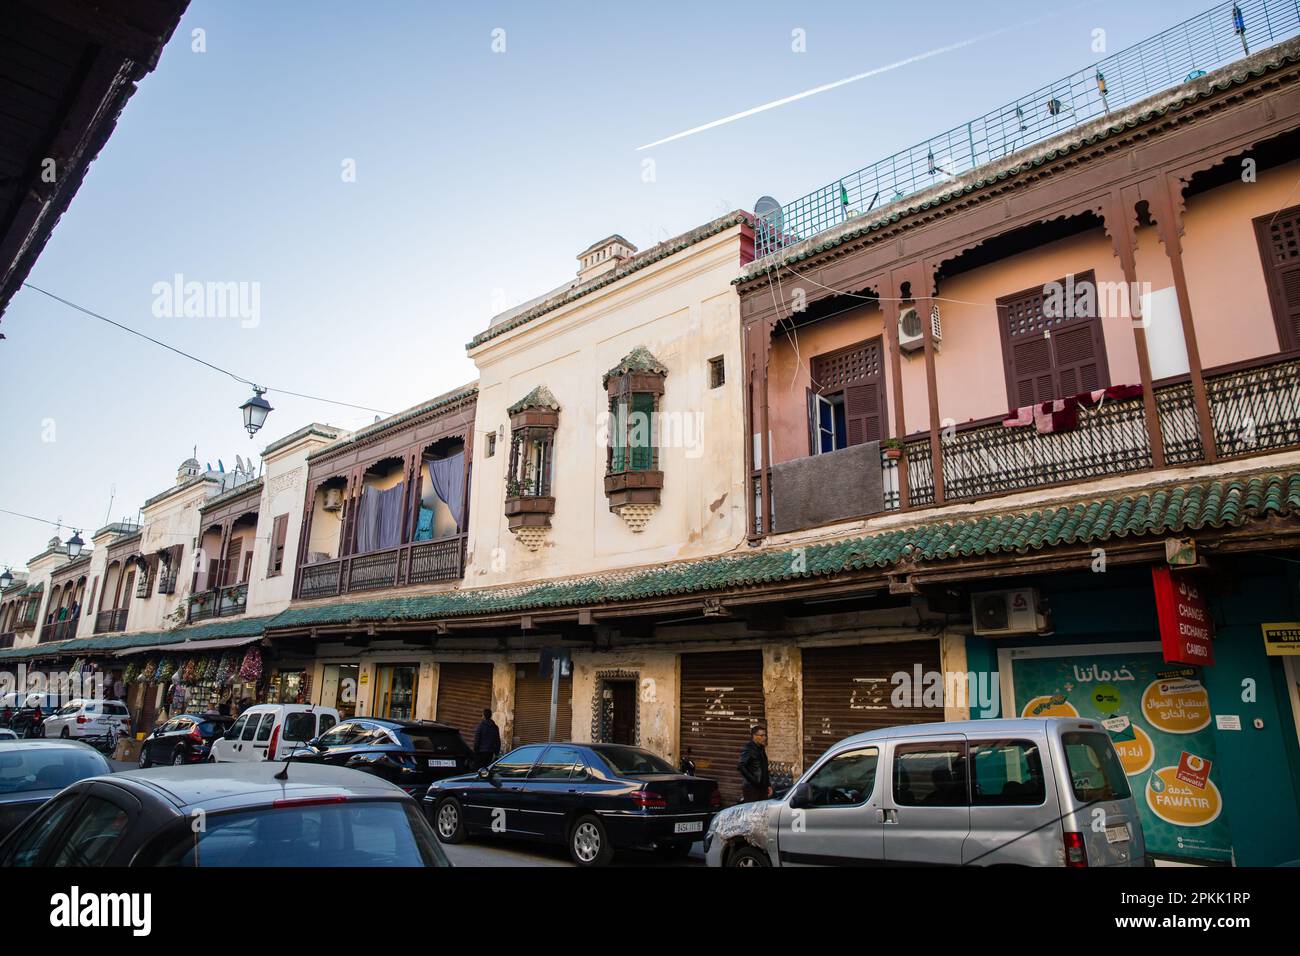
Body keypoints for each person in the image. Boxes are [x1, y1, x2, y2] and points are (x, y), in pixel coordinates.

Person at [737, 724, 772, 802]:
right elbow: (740, 766)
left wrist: (768, 785)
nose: (764, 738)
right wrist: (754, 781)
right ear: (754, 736)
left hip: (762, 788)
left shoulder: (761, 748)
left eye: (765, 735)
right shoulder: (748, 748)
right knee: (752, 811)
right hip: (751, 788)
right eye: (761, 735)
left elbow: (764, 768)